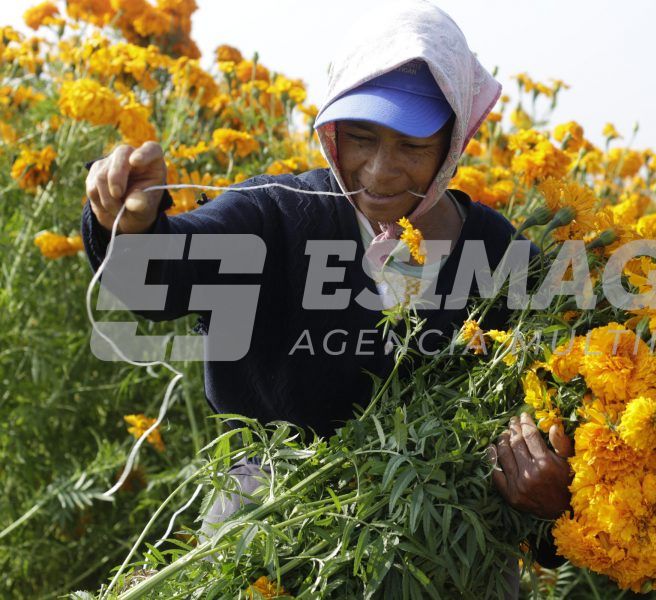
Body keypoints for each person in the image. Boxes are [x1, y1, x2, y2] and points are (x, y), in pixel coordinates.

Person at [81, 0, 572, 585]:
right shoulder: (278, 215)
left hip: (447, 563)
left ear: (454, 142)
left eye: (413, 148)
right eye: (360, 138)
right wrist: (129, 224)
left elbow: (559, 439)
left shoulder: (508, 261)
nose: (380, 172)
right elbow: (159, 280)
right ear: (330, 130)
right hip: (268, 534)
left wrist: (553, 503)